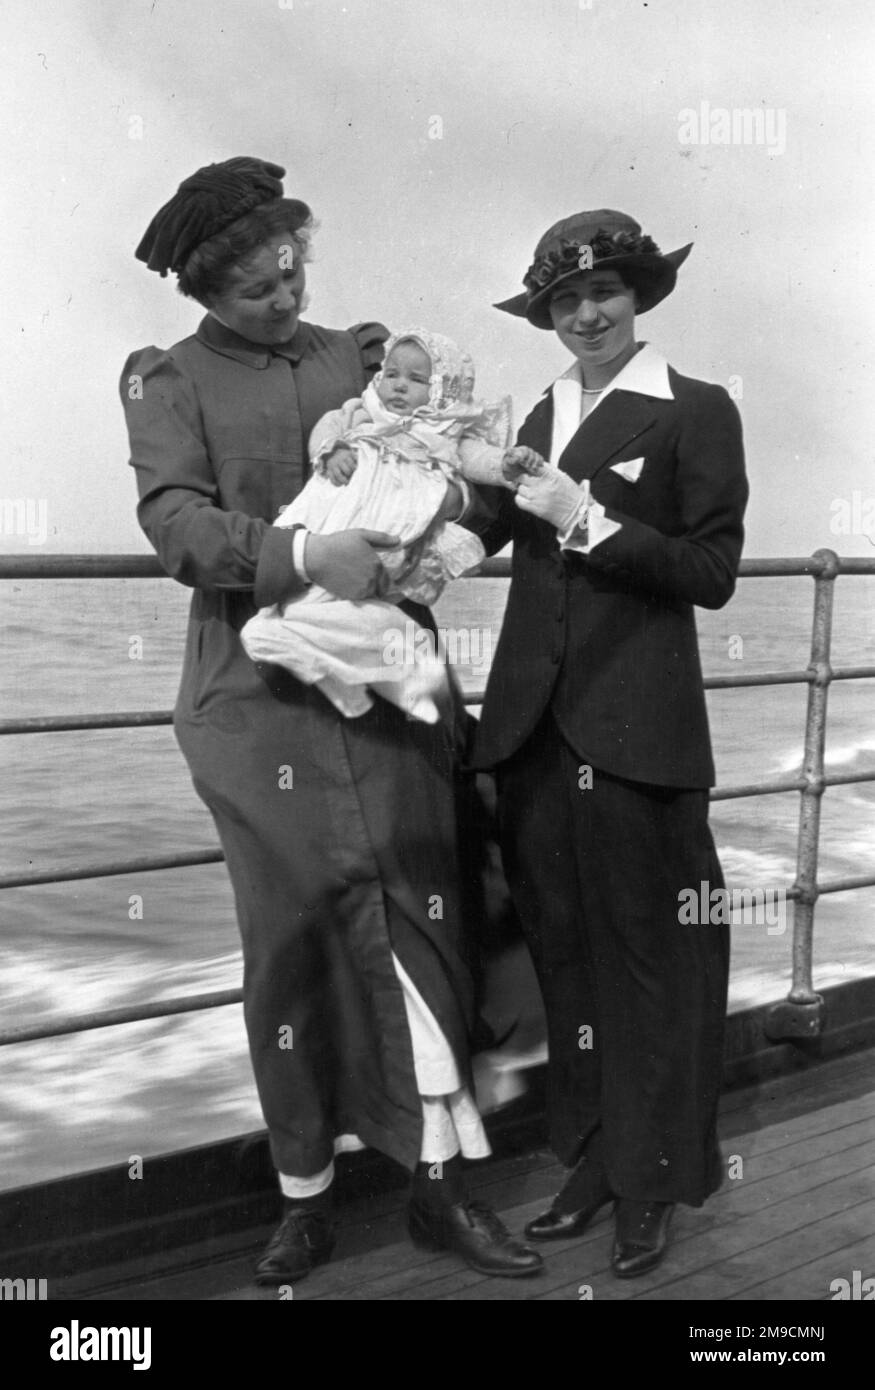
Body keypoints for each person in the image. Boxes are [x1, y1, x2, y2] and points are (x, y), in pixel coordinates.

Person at [119, 157, 542, 1285]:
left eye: (294, 268)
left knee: (428, 925)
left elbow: (461, 480)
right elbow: (175, 525)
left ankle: (440, 1189)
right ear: (206, 290)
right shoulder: (167, 382)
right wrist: (305, 552)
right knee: (291, 946)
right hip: (257, 711)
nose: (286, 293)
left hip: (389, 693)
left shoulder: (360, 359)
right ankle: (303, 1195)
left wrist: (460, 510)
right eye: (260, 286)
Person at [470, 208, 749, 1278]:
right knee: (567, 960)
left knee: (650, 963)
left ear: (639, 296)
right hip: (535, 732)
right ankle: (589, 1160)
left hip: (636, 737)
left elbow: (710, 571)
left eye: (604, 294)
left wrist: (584, 518)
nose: (585, 314)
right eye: (562, 303)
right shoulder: (538, 410)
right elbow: (490, 524)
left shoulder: (695, 410)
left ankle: (653, 1177)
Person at [240, 325, 545, 723]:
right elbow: (329, 427)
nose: (399, 386)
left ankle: (404, 664)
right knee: (294, 616)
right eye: (392, 374)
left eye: (417, 380)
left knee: (349, 607)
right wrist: (330, 451)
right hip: (336, 522)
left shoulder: (447, 429)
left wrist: (506, 465)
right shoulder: (365, 411)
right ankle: (356, 680)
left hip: (396, 527)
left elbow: (481, 460)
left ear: (443, 391)